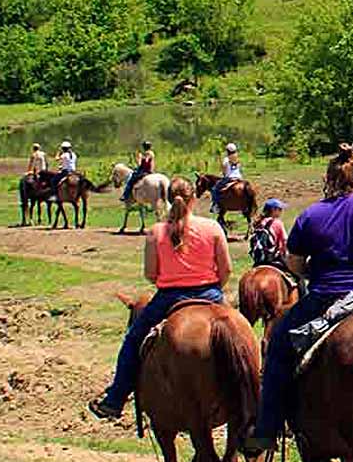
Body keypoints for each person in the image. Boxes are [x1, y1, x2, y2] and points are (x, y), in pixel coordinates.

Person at [245, 156, 353, 456]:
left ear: (328, 179)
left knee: (278, 347)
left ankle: (267, 429)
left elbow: (293, 263)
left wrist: (310, 272)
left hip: (324, 298)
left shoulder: (310, 215)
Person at [88, 178, 232, 420]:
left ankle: (115, 400)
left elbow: (150, 274)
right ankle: (258, 401)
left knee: (133, 340)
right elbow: (226, 270)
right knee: (245, 335)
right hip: (210, 294)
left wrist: (171, 281)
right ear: (194, 199)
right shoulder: (213, 228)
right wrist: (215, 288)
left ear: (168, 199)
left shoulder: (157, 231)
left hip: (169, 298)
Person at [249, 197, 290, 270]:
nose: (281, 211)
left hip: (259, 260)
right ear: (273, 210)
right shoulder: (277, 223)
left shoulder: (258, 222)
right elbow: (285, 241)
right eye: (279, 209)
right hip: (274, 258)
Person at [214, 143, 244, 210]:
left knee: (215, 189)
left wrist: (221, 165)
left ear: (228, 151)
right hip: (239, 177)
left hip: (230, 177)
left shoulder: (226, 159)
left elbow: (224, 171)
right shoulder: (237, 158)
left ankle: (216, 205)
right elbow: (240, 168)